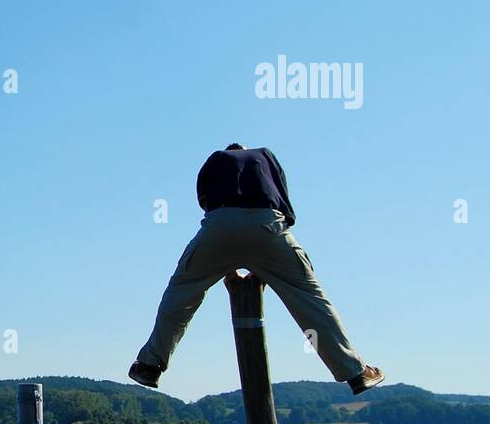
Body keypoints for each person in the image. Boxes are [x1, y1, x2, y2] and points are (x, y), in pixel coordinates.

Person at [129, 144, 384, 394]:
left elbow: (205, 202)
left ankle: (150, 366)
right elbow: (284, 203)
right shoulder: (264, 155)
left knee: (182, 293)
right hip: (268, 225)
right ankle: (355, 372)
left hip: (219, 226)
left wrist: (226, 267)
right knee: (309, 300)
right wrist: (267, 262)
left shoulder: (216, 159)